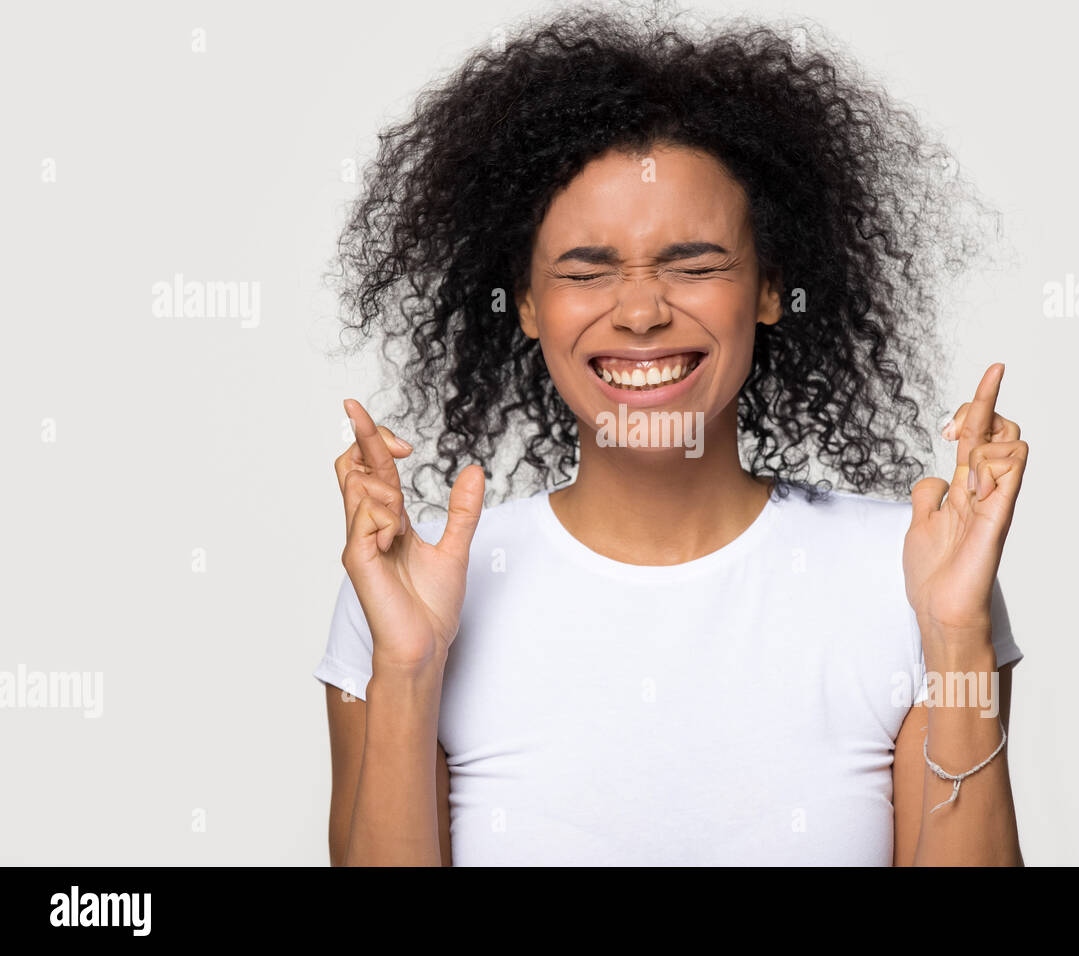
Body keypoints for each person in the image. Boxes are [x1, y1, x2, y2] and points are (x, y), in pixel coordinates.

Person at [314, 7, 1029, 866]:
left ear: (769, 289)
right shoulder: (413, 598)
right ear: (530, 305)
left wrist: (954, 632)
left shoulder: (917, 577)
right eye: (587, 270)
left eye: (694, 266)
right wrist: (409, 669)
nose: (644, 311)